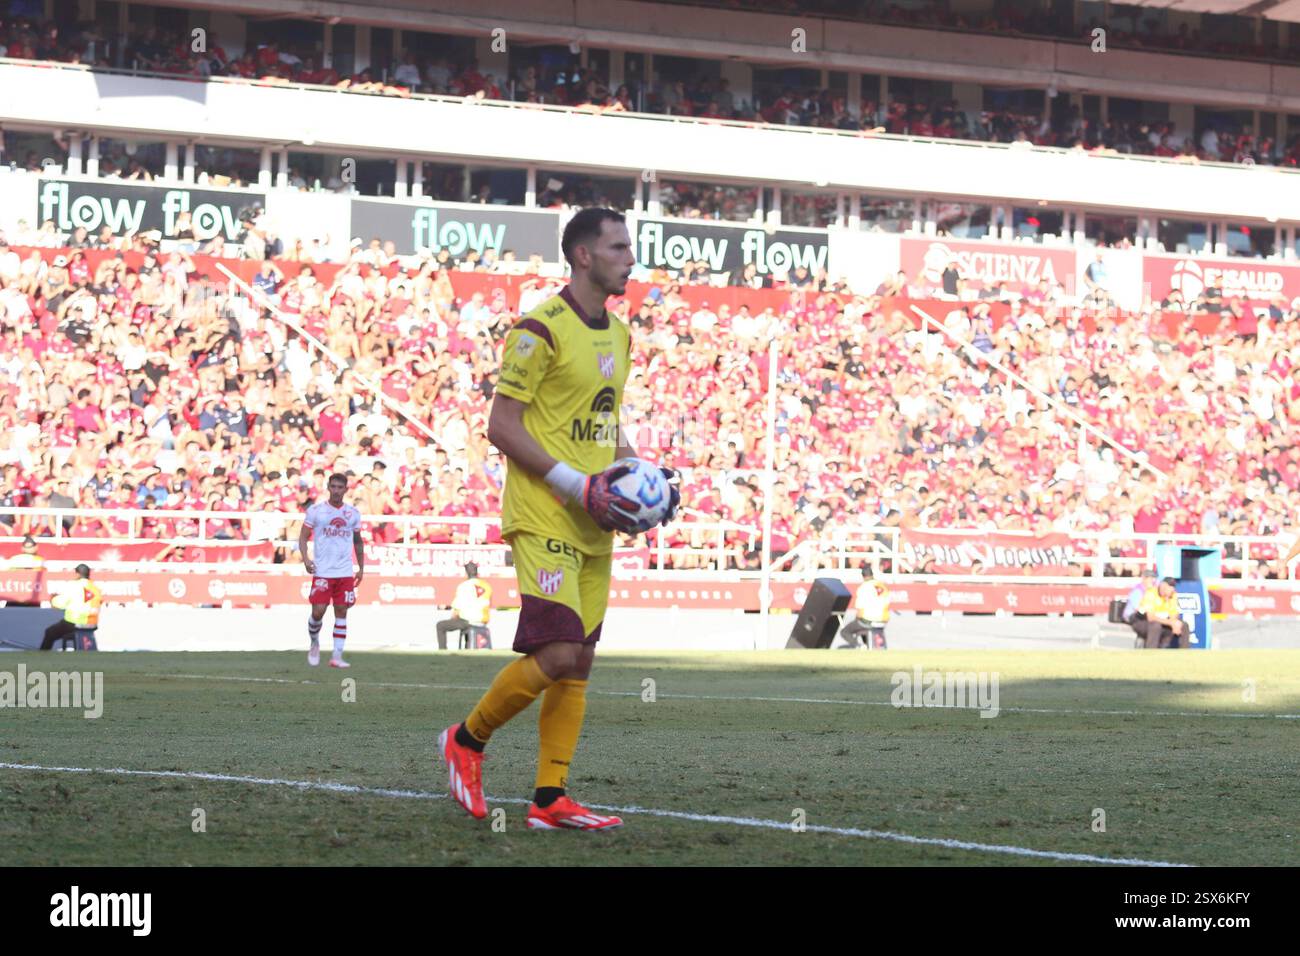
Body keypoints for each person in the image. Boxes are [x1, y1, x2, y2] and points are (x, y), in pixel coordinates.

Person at [436, 208, 679, 831]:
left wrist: (644, 480)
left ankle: (549, 799)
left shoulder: (620, 336)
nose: (631, 257)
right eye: (619, 247)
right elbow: (501, 425)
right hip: (545, 513)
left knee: (582, 660)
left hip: (595, 522)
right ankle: (467, 739)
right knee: (560, 649)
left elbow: (604, 423)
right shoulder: (537, 331)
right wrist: (578, 484)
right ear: (582, 257)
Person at [299, 473, 364, 669]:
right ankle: (315, 642)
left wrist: (361, 567)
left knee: (342, 611)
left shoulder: (353, 513)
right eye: (333, 486)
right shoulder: (316, 511)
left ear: (346, 489)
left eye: (340, 487)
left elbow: (358, 541)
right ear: (328, 487)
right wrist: (306, 559)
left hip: (344, 571)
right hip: (323, 571)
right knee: (318, 612)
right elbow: (302, 537)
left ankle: (337, 655)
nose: (336, 490)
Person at [41, 564, 101, 650]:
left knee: (50, 632)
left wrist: (53, 599)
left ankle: (42, 657)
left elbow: (60, 603)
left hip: (75, 622)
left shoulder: (74, 586)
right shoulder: (95, 588)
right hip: (92, 624)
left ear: (77, 574)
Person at [436, 562, 493, 649]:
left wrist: (453, 619)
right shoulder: (487, 586)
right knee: (463, 622)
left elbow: (456, 611)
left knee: (440, 625)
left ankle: (442, 651)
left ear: (466, 573)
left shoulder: (464, 586)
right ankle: (468, 646)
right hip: (484, 621)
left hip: (468, 621)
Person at [839, 567, 890, 649]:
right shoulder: (883, 586)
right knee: (860, 625)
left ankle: (860, 646)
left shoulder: (864, 587)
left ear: (863, 576)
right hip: (884, 619)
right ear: (872, 574)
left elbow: (860, 610)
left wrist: (856, 619)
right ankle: (868, 645)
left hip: (869, 620)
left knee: (845, 631)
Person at [1134, 577, 1186, 649]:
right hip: (1142, 621)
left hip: (1163, 621)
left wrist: (1174, 623)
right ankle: (1151, 652)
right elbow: (1151, 617)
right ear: (1163, 587)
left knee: (1183, 625)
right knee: (1155, 626)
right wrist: (1170, 623)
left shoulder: (1173, 595)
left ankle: (1183, 652)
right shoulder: (1151, 593)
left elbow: (1174, 613)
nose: (1172, 591)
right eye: (1170, 588)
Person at [4, 535, 45, 607]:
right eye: (26, 546)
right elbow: (8, 575)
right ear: (22, 548)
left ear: (36, 547)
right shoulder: (15, 559)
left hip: (33, 594)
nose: (28, 549)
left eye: (31, 546)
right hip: (16, 594)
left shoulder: (40, 561)